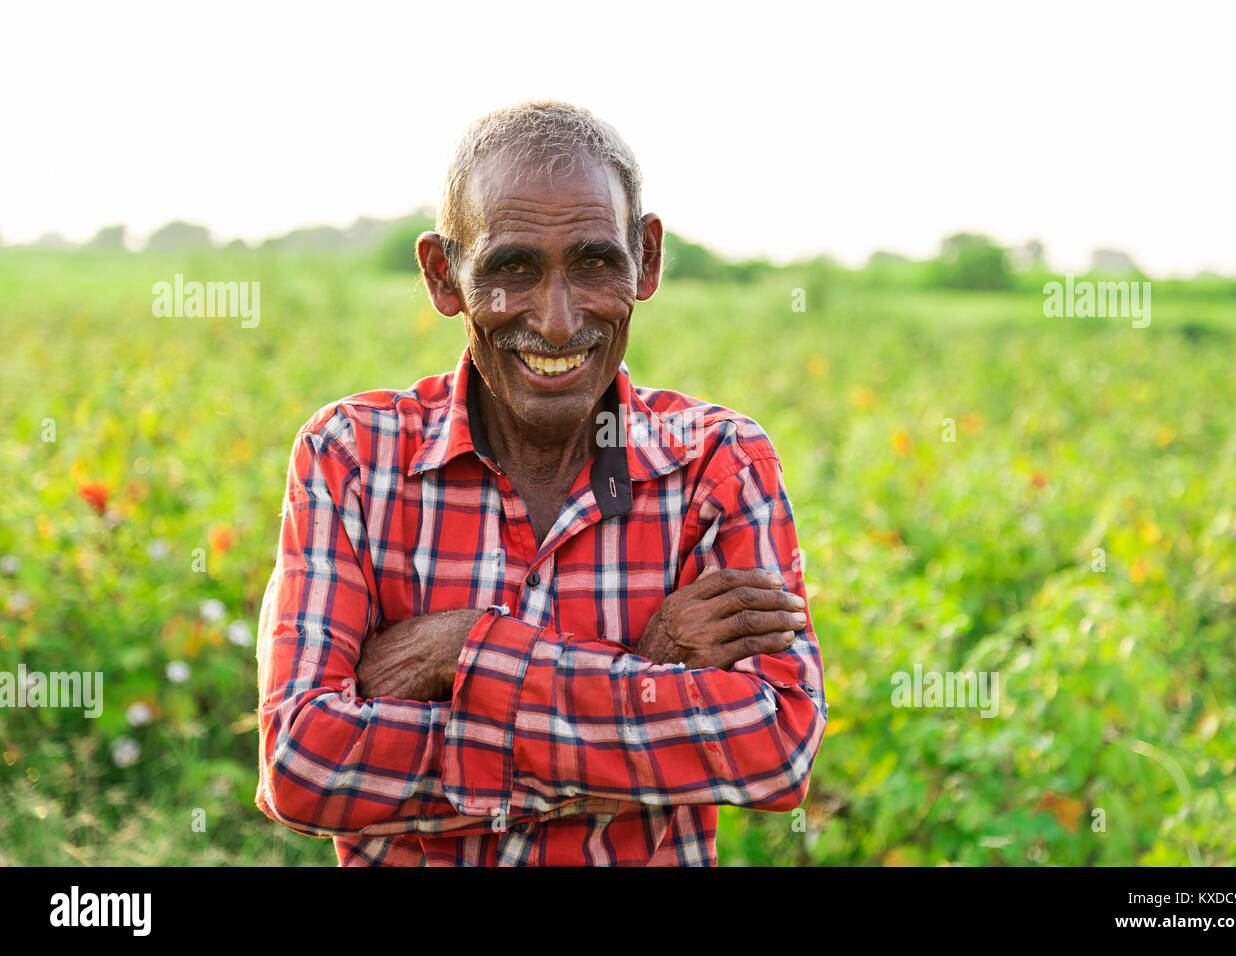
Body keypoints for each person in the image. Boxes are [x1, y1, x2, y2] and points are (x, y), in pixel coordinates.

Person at [254, 100, 827, 865]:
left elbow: (774, 745)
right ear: (442, 274)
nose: (557, 322)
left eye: (594, 263)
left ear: (646, 260)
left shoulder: (717, 463)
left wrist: (462, 655)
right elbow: (305, 764)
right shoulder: (354, 458)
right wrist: (647, 680)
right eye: (511, 269)